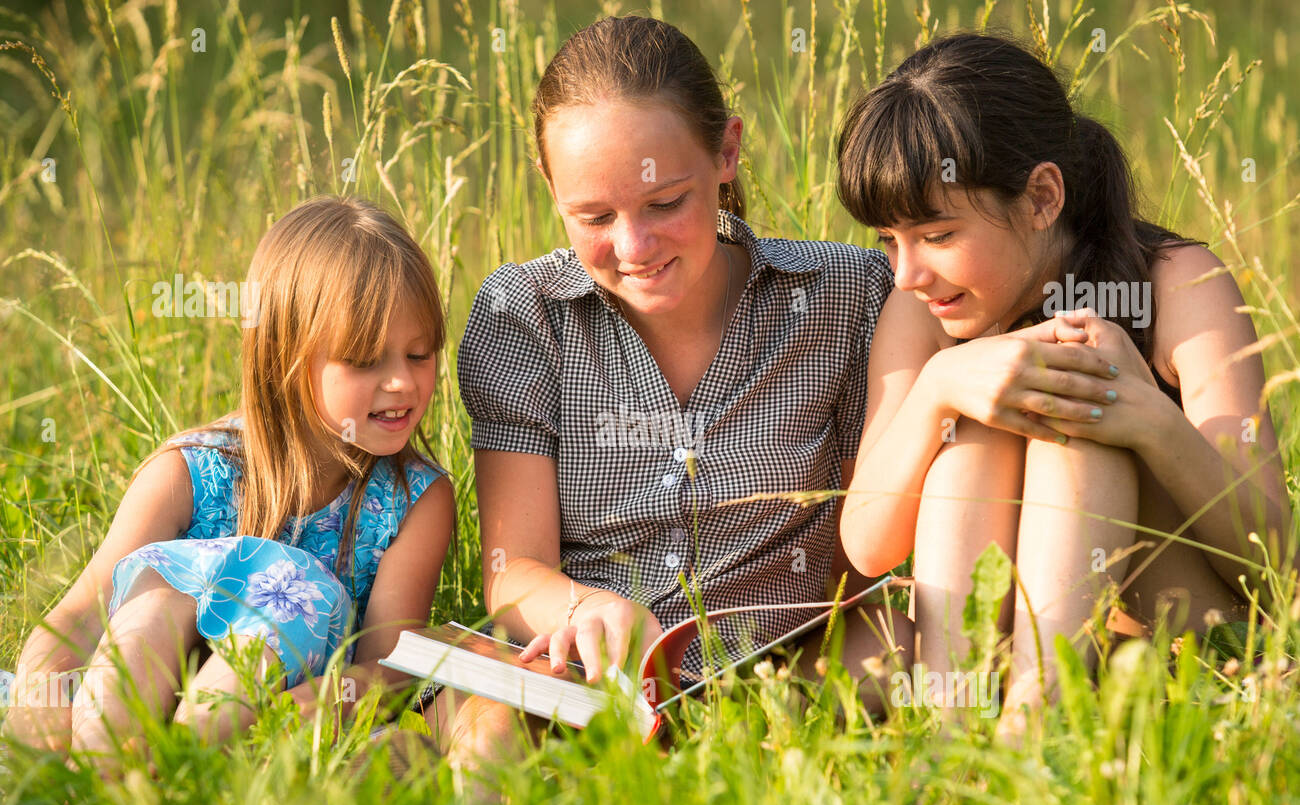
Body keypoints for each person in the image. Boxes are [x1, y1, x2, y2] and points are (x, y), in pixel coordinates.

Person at [445, 15, 912, 765]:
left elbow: (864, 554)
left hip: (789, 671)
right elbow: (512, 571)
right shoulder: (523, 314)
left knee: (920, 644)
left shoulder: (847, 294)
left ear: (727, 152)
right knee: (489, 731)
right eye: (594, 216)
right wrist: (588, 607)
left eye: (665, 203)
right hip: (588, 676)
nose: (634, 248)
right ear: (550, 186)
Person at [835, 33, 1291, 741]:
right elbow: (866, 544)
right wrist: (937, 389)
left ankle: (1032, 732)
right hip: (1002, 652)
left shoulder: (1177, 282)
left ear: (1043, 196)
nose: (906, 273)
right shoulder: (918, 313)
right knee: (974, 430)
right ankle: (956, 734)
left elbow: (1276, 571)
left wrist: (1150, 422)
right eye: (890, 241)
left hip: (1182, 654)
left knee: (1077, 416)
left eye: (937, 234)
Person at [4, 196, 456, 769]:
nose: (402, 381)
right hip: (139, 698)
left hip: (279, 721)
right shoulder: (190, 471)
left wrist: (308, 712)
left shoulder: (414, 499)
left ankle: (179, 769)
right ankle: (103, 769)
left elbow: (386, 666)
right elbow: (80, 615)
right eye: (366, 360)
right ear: (286, 355)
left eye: (420, 354)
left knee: (295, 598)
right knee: (159, 594)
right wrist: (36, 696)